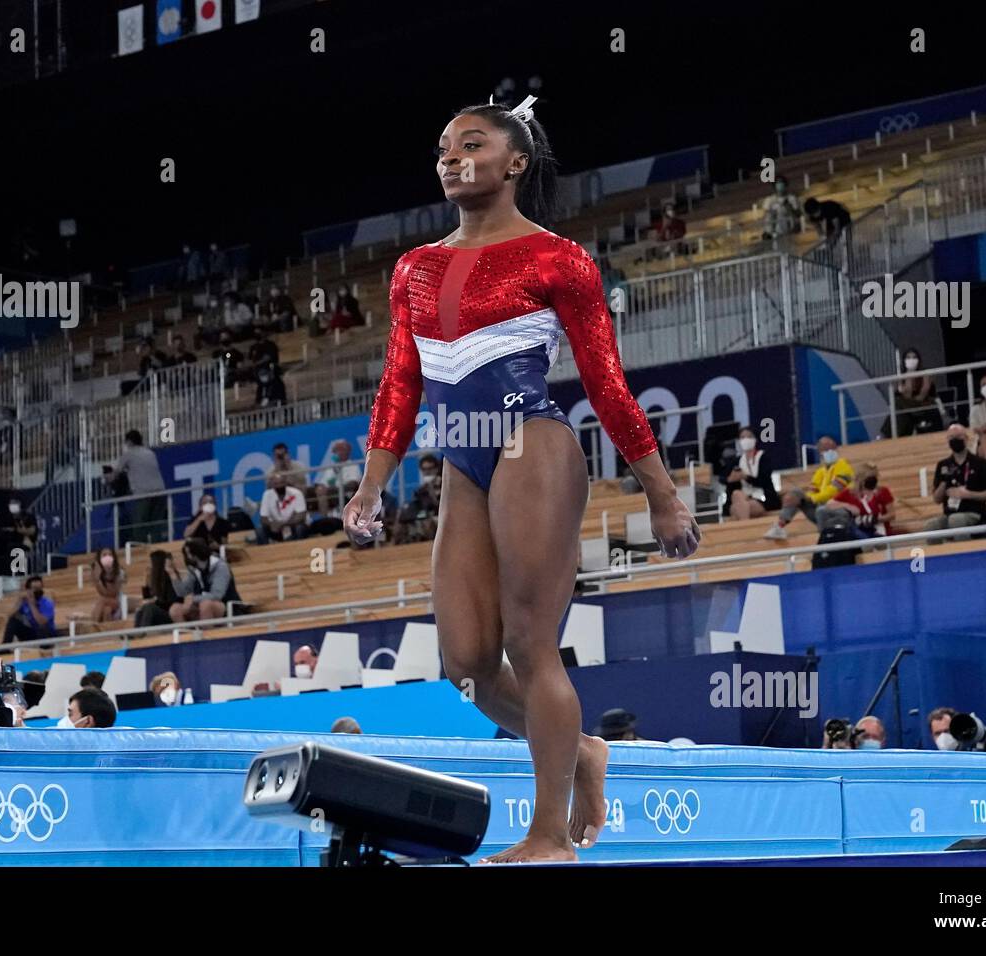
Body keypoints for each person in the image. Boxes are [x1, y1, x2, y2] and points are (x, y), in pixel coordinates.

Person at [343, 96, 699, 863]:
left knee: (533, 645)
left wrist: (662, 497)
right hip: (462, 460)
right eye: (442, 147)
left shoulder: (557, 258)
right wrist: (373, 484)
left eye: (470, 144)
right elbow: (399, 385)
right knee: (467, 663)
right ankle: (584, 753)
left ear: (515, 163)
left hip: (528, 442)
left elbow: (607, 384)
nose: (450, 156)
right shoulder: (415, 267)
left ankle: (549, 836)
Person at [763, 436, 854, 540]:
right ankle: (779, 526)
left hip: (838, 507)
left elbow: (834, 491)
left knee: (821, 510)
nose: (827, 452)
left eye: (830, 449)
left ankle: (824, 538)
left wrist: (813, 498)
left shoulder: (844, 467)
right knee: (795, 494)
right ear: (820, 452)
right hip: (821, 504)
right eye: (824, 450)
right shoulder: (820, 472)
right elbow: (812, 490)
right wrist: (808, 497)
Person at [924, 424, 986, 532]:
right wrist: (944, 482)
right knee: (931, 525)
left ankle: (965, 547)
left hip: (973, 512)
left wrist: (968, 494)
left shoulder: (980, 463)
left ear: (966, 439)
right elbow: (936, 499)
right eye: (951, 438)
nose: (955, 440)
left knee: (956, 520)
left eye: (958, 437)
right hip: (950, 513)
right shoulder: (943, 465)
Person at [107, 430, 167, 543]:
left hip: (144, 494)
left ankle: (140, 551)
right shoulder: (150, 453)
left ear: (129, 442)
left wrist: (106, 476)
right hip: (160, 492)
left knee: (139, 525)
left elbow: (115, 475)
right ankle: (157, 548)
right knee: (156, 524)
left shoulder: (129, 454)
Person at [168, 538, 241, 622]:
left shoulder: (220, 566)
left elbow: (217, 595)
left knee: (206, 605)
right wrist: (172, 575)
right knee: (175, 609)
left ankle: (208, 633)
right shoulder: (194, 569)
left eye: (188, 553)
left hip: (226, 604)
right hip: (201, 603)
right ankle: (185, 634)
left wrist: (193, 599)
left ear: (195, 553)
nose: (187, 557)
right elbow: (182, 592)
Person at [821, 463, 895, 538]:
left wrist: (874, 520)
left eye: (874, 477)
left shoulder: (882, 491)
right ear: (860, 479)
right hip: (858, 532)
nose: (872, 480)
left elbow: (891, 515)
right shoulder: (850, 492)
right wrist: (848, 506)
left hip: (881, 532)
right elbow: (829, 504)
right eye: (869, 478)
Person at [882, 347, 938, 438]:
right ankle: (891, 435)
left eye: (914, 357)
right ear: (904, 361)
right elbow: (907, 395)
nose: (911, 360)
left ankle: (885, 435)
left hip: (923, 405)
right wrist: (909, 374)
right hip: (908, 407)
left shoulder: (925, 374)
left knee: (899, 404)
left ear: (918, 360)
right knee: (901, 409)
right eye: (908, 358)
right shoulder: (902, 376)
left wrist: (911, 401)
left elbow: (923, 394)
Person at [726, 425, 779, 519]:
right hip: (743, 497)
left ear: (755, 439)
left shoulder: (763, 457)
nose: (745, 440)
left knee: (739, 508)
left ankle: (744, 526)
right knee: (736, 495)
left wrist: (746, 477)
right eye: (742, 437)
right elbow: (724, 479)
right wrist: (731, 480)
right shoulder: (737, 461)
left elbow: (764, 479)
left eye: (749, 437)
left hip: (763, 498)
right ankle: (746, 525)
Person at [2, 575, 56, 644]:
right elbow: (9, 616)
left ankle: (45, 650)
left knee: (42, 627)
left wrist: (32, 605)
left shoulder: (47, 603)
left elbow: (42, 622)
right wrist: (19, 601)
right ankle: (4, 650)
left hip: (47, 635)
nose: (37, 591)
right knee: (13, 621)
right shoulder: (24, 602)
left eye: (39, 588)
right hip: (32, 633)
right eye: (35, 589)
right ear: (28, 590)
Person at [257, 472, 308, 543]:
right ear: (272, 485)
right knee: (260, 530)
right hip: (276, 528)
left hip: (292, 525)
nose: (279, 486)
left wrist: (284, 524)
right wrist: (272, 524)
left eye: (281, 483)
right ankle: (265, 552)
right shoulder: (267, 495)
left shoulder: (296, 493)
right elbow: (263, 518)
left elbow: (301, 516)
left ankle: (301, 550)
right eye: (276, 484)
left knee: (300, 528)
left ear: (285, 483)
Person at [0, 496, 38, 573]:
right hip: (8, 544)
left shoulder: (28, 517)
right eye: (11, 503)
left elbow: (32, 531)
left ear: (19, 504)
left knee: (17, 550)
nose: (12, 505)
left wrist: (17, 530)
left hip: (23, 544)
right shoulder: (7, 517)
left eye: (14, 503)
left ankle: (19, 573)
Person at [90, 547, 127, 623]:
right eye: (104, 555)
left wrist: (98, 580)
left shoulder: (119, 572)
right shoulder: (97, 571)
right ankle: (106, 633)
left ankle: (92, 625)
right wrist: (97, 579)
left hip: (117, 602)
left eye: (110, 554)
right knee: (107, 610)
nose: (107, 557)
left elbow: (112, 593)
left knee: (102, 601)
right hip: (106, 604)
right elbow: (102, 593)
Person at [761, 176, 801, 244]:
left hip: (790, 231)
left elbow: (798, 214)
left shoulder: (792, 198)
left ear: (785, 185)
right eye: (778, 183)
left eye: (781, 182)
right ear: (774, 186)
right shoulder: (769, 200)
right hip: (776, 233)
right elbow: (766, 217)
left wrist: (789, 208)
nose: (780, 185)